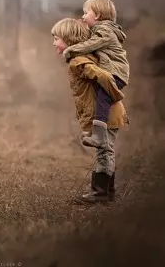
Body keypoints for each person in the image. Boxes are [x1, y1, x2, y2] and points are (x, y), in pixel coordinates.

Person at [51, 18, 129, 203]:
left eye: (56, 38)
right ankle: (106, 192)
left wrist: (115, 93)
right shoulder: (80, 59)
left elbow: (102, 76)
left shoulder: (78, 61)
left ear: (69, 40)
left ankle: (100, 193)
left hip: (106, 114)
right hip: (106, 113)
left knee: (104, 151)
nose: (54, 42)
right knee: (106, 150)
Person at [62, 0, 129, 150]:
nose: (83, 17)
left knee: (103, 98)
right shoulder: (101, 31)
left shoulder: (104, 31)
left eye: (86, 13)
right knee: (100, 97)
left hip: (115, 73)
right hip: (113, 71)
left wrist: (70, 50)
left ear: (97, 15)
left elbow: (91, 44)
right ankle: (97, 133)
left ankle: (99, 136)